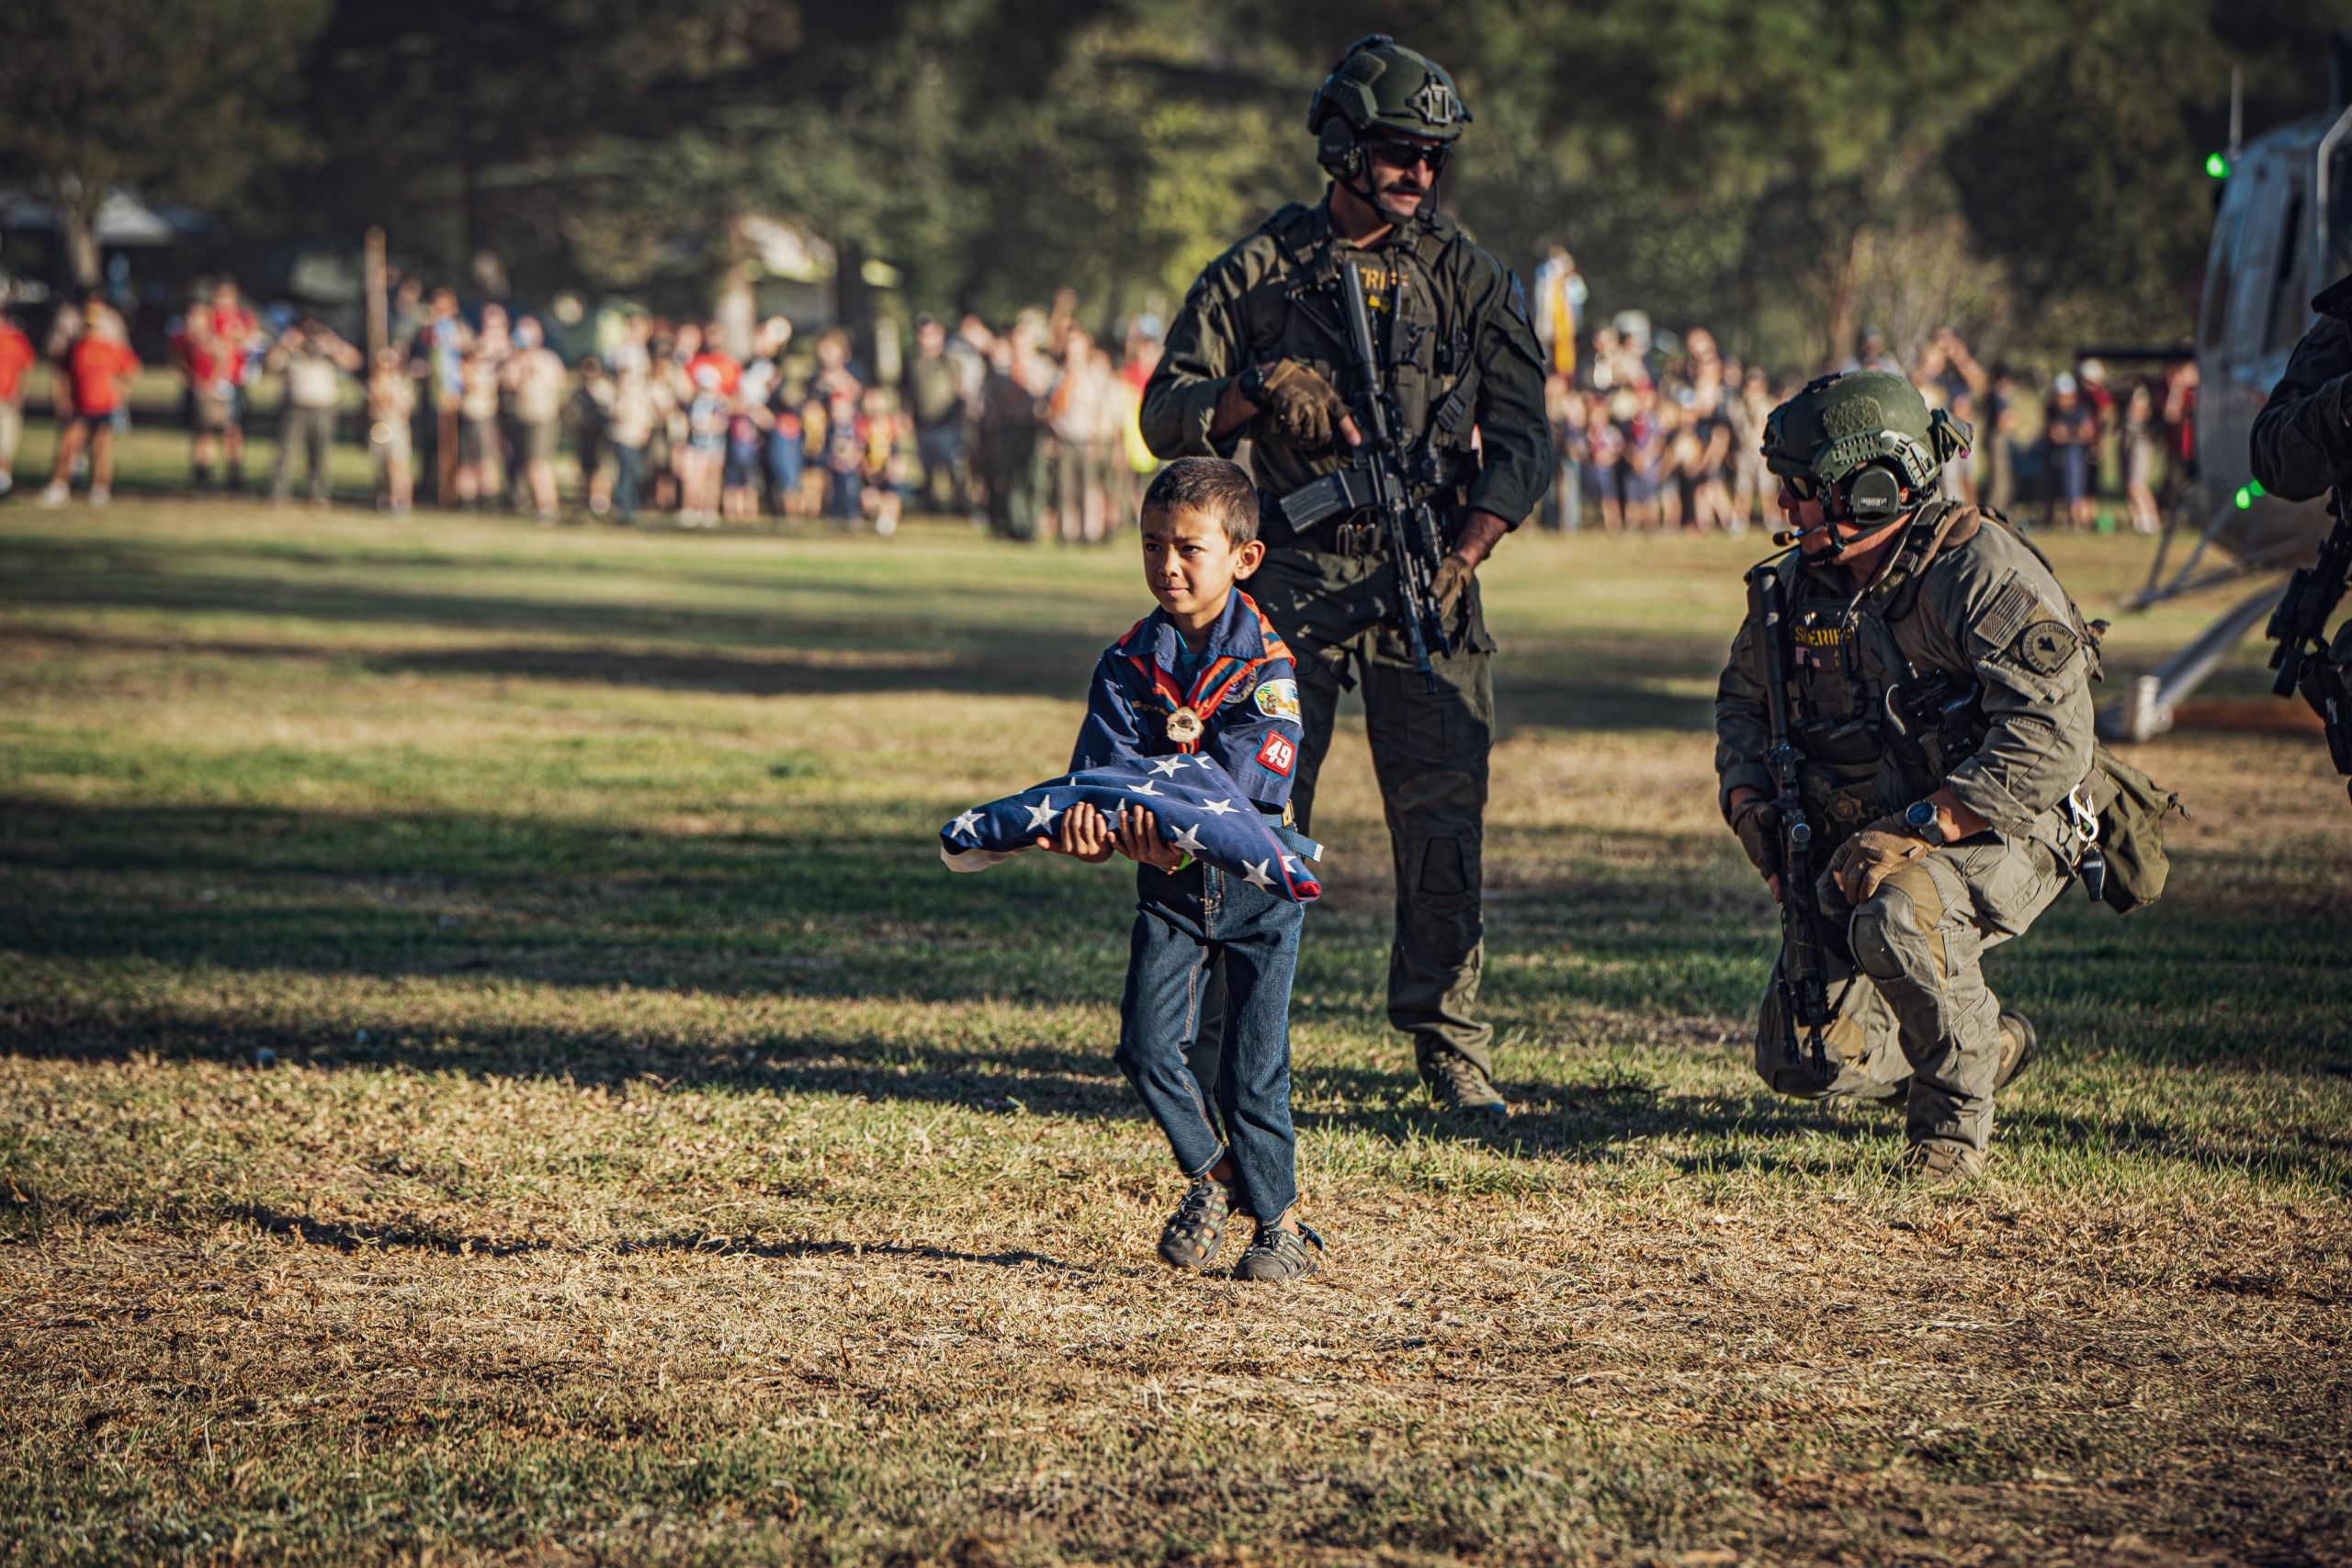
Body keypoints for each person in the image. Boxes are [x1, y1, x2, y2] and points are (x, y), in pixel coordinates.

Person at [1140, 34, 1554, 1118]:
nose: (1420, 172)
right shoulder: (1258, 270)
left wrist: (1468, 550)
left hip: (1428, 578)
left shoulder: (1466, 277)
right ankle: (1228, 1040)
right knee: (1252, 815)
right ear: (1340, 145)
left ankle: (1446, 1041)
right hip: (1291, 582)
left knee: (1443, 822)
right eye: (1398, 150)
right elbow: (1163, 413)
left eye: (1434, 157)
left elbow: (1524, 440)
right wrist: (1256, 388)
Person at [1716, 371, 2094, 1181]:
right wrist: (1753, 811)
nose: (1785, 508)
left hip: (2010, 825)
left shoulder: (1980, 573)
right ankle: (1978, 1046)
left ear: (1873, 488)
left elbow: (2053, 739)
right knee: (1804, 1057)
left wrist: (1917, 832)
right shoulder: (1793, 591)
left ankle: (1951, 1134)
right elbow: (1743, 703)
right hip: (1871, 834)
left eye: (1799, 489)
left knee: (1897, 915)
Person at [1034, 457, 1323, 1280]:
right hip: (1167, 888)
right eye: (1152, 544)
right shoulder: (1127, 662)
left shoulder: (1267, 669)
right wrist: (1091, 827)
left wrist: (1159, 829)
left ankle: (1282, 1230)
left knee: (1250, 1070)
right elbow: (1106, 775)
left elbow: (1235, 797)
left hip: (1256, 893)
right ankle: (1215, 1175)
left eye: (1189, 548)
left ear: (1244, 557)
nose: (1168, 565)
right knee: (1146, 1044)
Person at [41, 298, 140, 507]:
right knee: (69, 446)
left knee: (101, 449)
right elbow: (63, 374)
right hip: (80, 406)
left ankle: (100, 488)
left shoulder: (111, 347)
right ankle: (60, 485)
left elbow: (132, 368)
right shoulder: (76, 348)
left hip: (106, 405)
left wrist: (123, 391)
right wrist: (63, 397)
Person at [266, 317, 360, 505]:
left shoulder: (329, 351)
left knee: (320, 453)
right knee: (286, 452)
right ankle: (278, 493)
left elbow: (354, 361)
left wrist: (332, 344)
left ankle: (317, 493)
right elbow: (269, 365)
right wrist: (286, 344)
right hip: (295, 407)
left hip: (324, 408)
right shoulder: (290, 351)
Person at [366, 345, 416, 514]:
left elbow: (403, 407)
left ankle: (401, 501)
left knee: (398, 465)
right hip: (380, 426)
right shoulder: (376, 382)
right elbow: (373, 405)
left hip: (396, 426)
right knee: (382, 464)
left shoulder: (402, 383)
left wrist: (391, 395)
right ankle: (384, 499)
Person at [0, 305, 35, 498]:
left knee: (5, 448)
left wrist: (20, 396)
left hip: (6, 402)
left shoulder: (15, 339)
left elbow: (27, 367)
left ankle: (4, 487)